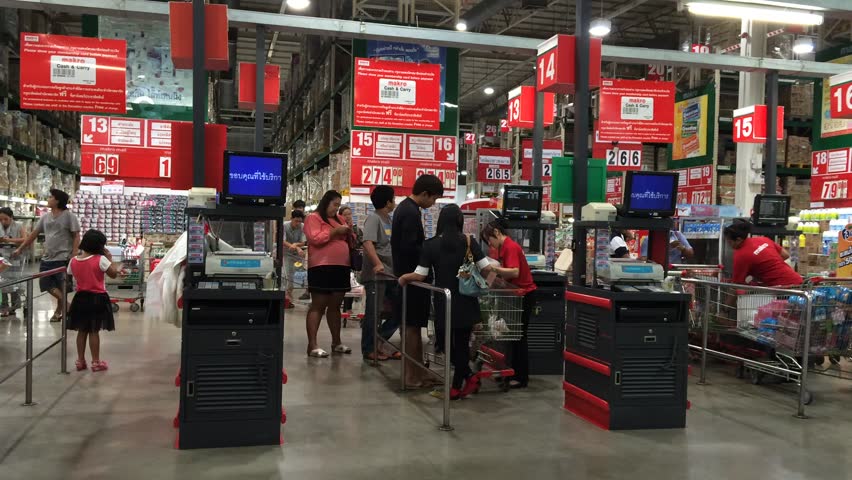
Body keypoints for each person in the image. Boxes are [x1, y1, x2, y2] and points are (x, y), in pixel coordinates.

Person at [400, 205, 491, 398]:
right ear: (460, 221)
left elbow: (420, 274)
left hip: (444, 301)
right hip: (467, 300)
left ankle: (458, 387)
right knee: (462, 344)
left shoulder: (430, 245)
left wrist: (404, 278)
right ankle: (465, 379)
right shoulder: (469, 241)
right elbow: (486, 269)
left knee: (446, 345)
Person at [392, 174, 444, 387]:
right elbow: (411, 248)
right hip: (412, 279)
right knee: (412, 328)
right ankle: (411, 377)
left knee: (412, 327)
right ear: (424, 194)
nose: (433, 204)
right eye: (433, 199)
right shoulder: (410, 213)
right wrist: (430, 250)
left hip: (408, 277)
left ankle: (419, 372)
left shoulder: (406, 209)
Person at [481, 219, 537, 389]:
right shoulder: (502, 248)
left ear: (497, 233)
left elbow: (514, 271)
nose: (490, 243)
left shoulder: (510, 246)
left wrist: (493, 270)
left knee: (519, 337)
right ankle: (512, 371)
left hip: (524, 295)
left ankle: (521, 377)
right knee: (512, 337)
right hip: (514, 295)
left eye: (489, 239)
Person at [14, 189, 80, 322]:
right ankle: (69, 306)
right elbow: (34, 234)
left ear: (57, 200)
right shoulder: (45, 217)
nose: (48, 199)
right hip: (47, 257)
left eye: (51, 197)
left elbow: (76, 235)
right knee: (45, 283)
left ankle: (58, 312)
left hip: (63, 257)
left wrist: (74, 253)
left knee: (63, 287)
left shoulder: (69, 216)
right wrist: (21, 248)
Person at [303, 190, 353, 358]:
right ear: (326, 202)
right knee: (318, 304)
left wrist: (348, 230)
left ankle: (336, 342)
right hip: (321, 266)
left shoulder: (339, 219)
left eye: (339, 205)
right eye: (335, 205)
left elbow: (350, 240)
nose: (336, 209)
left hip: (341, 266)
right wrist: (334, 232)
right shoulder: (313, 218)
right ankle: (312, 345)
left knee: (335, 305)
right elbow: (314, 239)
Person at [66, 229, 122, 372]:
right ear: (99, 246)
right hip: (97, 298)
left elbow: (69, 274)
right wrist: (109, 259)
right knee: (93, 331)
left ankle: (80, 360)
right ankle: (96, 362)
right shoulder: (100, 259)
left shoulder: (73, 261)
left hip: (80, 298)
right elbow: (114, 274)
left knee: (81, 330)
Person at [360, 186, 400, 362]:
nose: (395, 201)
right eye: (394, 198)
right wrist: (377, 264)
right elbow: (367, 242)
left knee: (399, 311)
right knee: (373, 313)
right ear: (387, 201)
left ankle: (379, 341)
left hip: (391, 275)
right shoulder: (374, 218)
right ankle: (369, 349)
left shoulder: (388, 220)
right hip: (377, 276)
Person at [724, 221, 803, 287]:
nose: (728, 244)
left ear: (738, 240)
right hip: (798, 281)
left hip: (783, 287)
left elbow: (736, 286)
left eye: (729, 241)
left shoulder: (740, 255)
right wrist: (765, 267)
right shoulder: (763, 239)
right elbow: (785, 255)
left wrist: (726, 305)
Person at [0, 207, 27, 317]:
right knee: (2, 282)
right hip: (2, 257)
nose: (3, 222)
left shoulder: (19, 226)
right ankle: (4, 307)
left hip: (15, 257)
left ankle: (15, 306)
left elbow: (25, 239)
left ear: (11, 217)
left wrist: (9, 240)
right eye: (1, 219)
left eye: (6, 219)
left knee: (15, 281)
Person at [339, 205, 363, 314]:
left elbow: (361, 242)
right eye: (345, 214)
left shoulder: (356, 228)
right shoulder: (338, 228)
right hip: (340, 259)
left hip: (353, 260)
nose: (348, 216)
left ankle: (348, 308)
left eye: (349, 214)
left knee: (352, 284)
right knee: (341, 283)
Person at [283, 209, 307, 309]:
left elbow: (304, 242)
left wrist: (296, 245)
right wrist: (294, 246)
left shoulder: (302, 227)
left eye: (300, 221)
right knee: (288, 274)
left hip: (298, 254)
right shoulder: (284, 225)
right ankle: (287, 297)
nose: (298, 223)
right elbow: (282, 240)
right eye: (296, 221)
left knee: (299, 275)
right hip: (287, 253)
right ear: (291, 218)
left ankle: (291, 296)